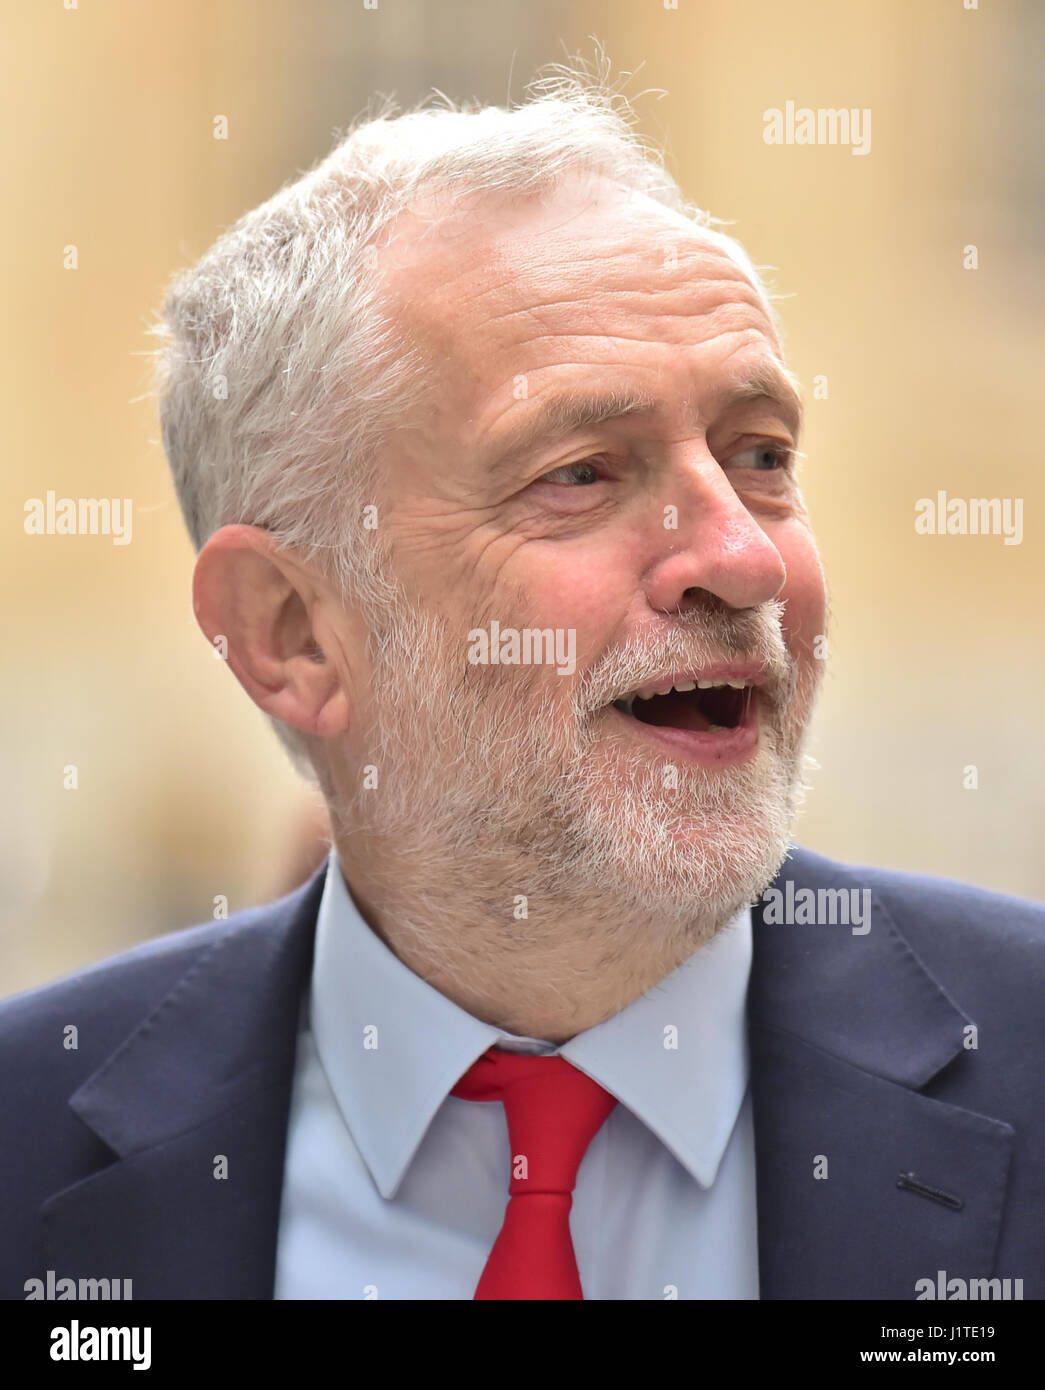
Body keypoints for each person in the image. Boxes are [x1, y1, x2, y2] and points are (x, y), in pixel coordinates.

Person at [2, 66, 1042, 1302]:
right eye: (582, 473)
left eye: (760, 455)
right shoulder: (30, 1150)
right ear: (291, 633)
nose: (745, 556)